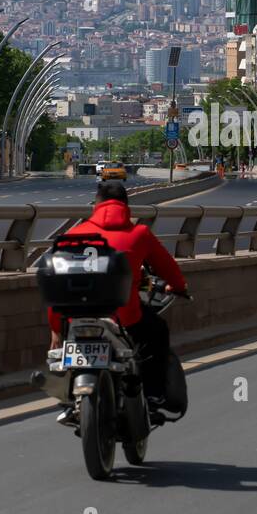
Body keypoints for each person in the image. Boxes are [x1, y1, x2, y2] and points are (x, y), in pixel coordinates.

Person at [48, 181, 188, 425]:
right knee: (156, 332)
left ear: (97, 204)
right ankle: (154, 395)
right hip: (123, 316)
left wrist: (54, 326)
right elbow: (168, 268)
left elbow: (57, 284)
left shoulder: (72, 235)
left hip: (73, 315)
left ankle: (68, 398)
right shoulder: (139, 234)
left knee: (60, 350)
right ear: (126, 206)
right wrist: (178, 287)